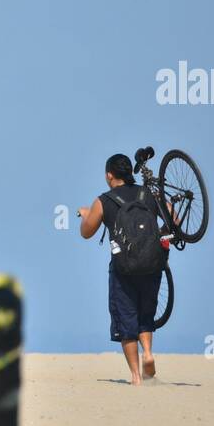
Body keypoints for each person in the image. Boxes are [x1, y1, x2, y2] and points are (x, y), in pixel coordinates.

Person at [77, 154, 165, 386]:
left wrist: (86, 214)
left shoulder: (104, 201)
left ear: (109, 175)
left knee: (126, 320)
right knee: (146, 314)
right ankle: (148, 352)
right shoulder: (148, 195)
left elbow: (86, 232)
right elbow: (172, 218)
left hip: (123, 269)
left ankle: (136, 377)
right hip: (152, 264)